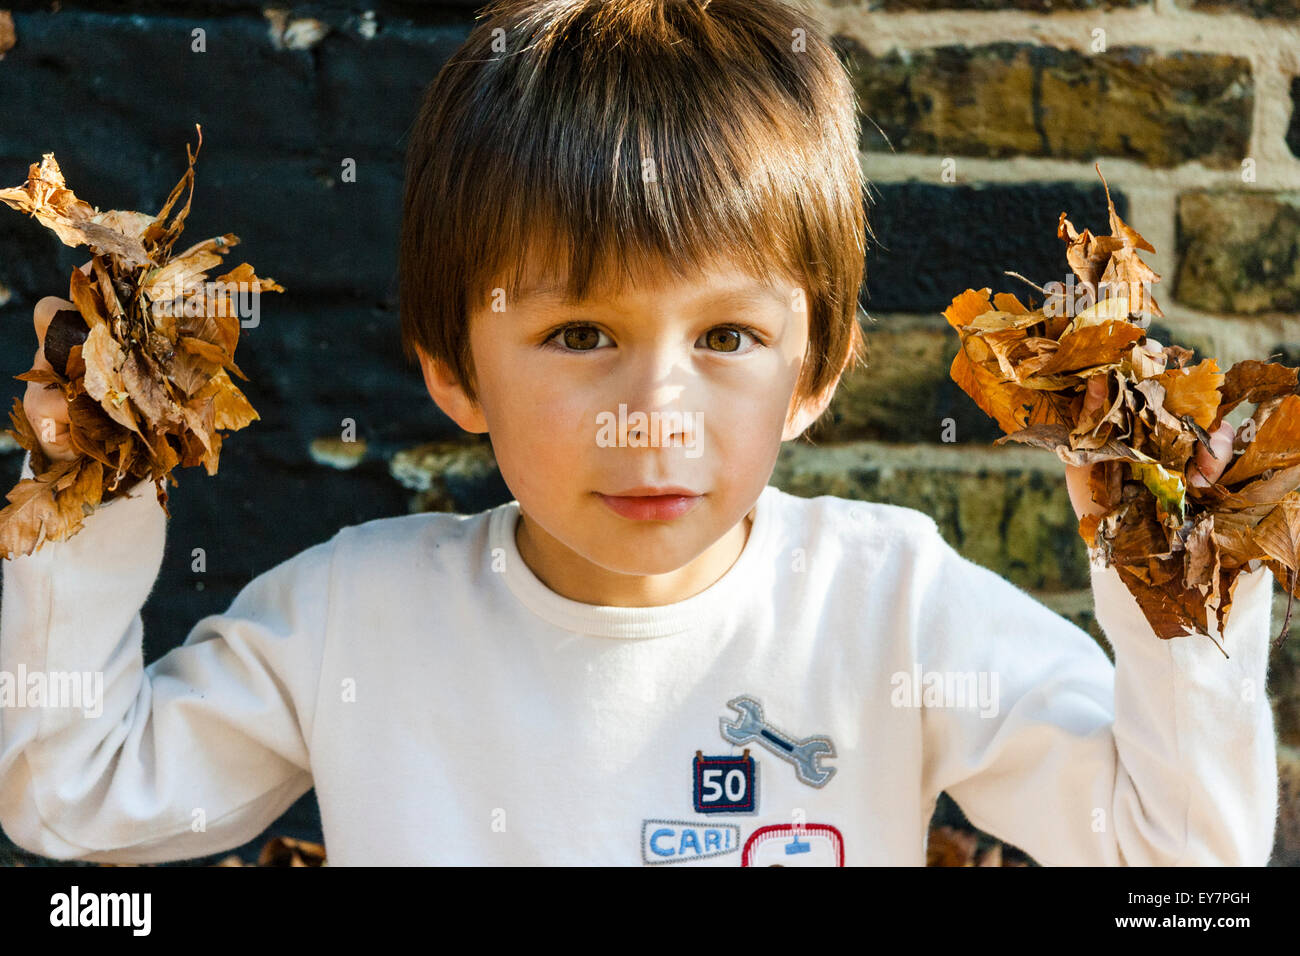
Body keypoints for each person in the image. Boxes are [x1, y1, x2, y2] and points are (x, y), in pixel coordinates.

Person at [0, 0, 1277, 866]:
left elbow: (1181, 845)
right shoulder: (353, 618)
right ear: (452, 367)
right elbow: (71, 793)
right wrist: (96, 460)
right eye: (575, 334)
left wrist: (1167, 541)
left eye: (726, 339)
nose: (650, 409)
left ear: (817, 370)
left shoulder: (896, 606)